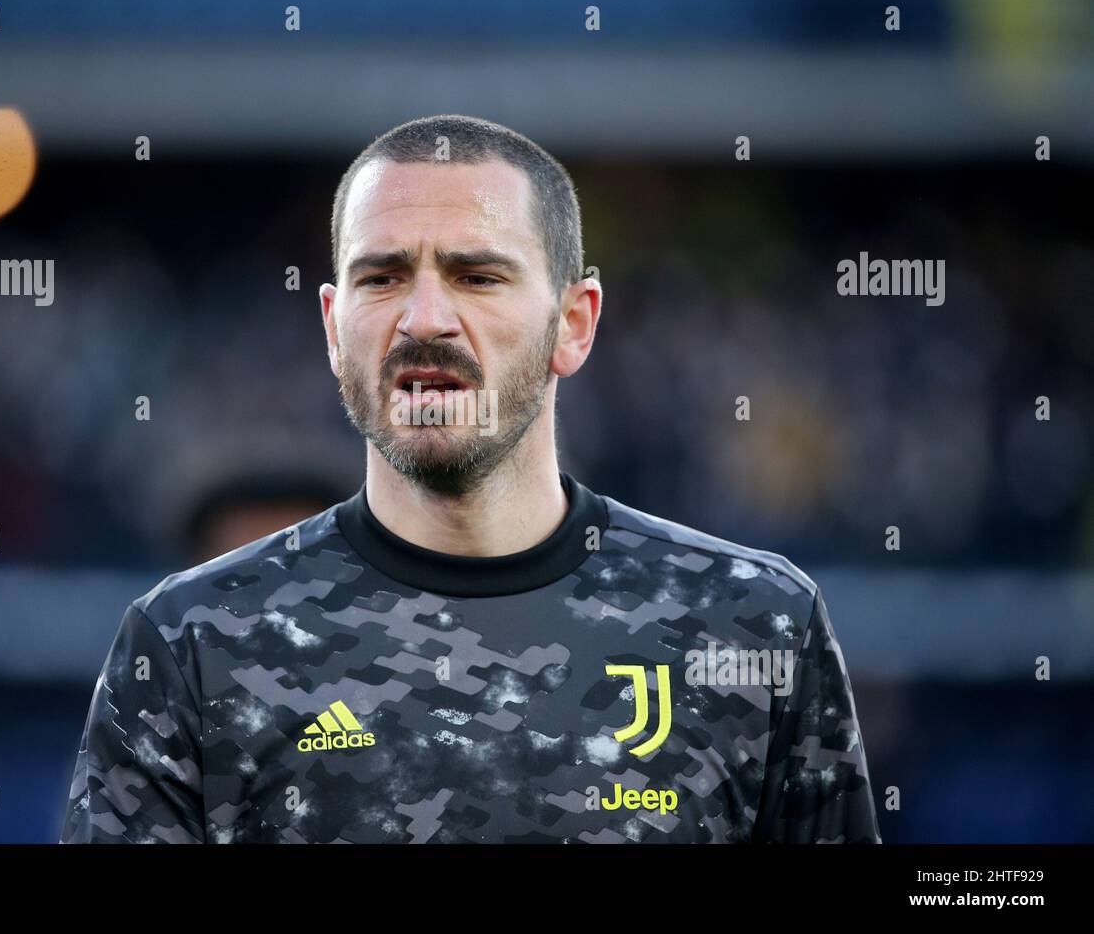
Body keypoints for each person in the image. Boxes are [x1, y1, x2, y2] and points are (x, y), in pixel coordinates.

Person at [61, 114, 880, 843]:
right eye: (380, 278)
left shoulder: (755, 626)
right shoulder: (189, 644)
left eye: (477, 276)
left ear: (574, 324)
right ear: (333, 329)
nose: (423, 320)